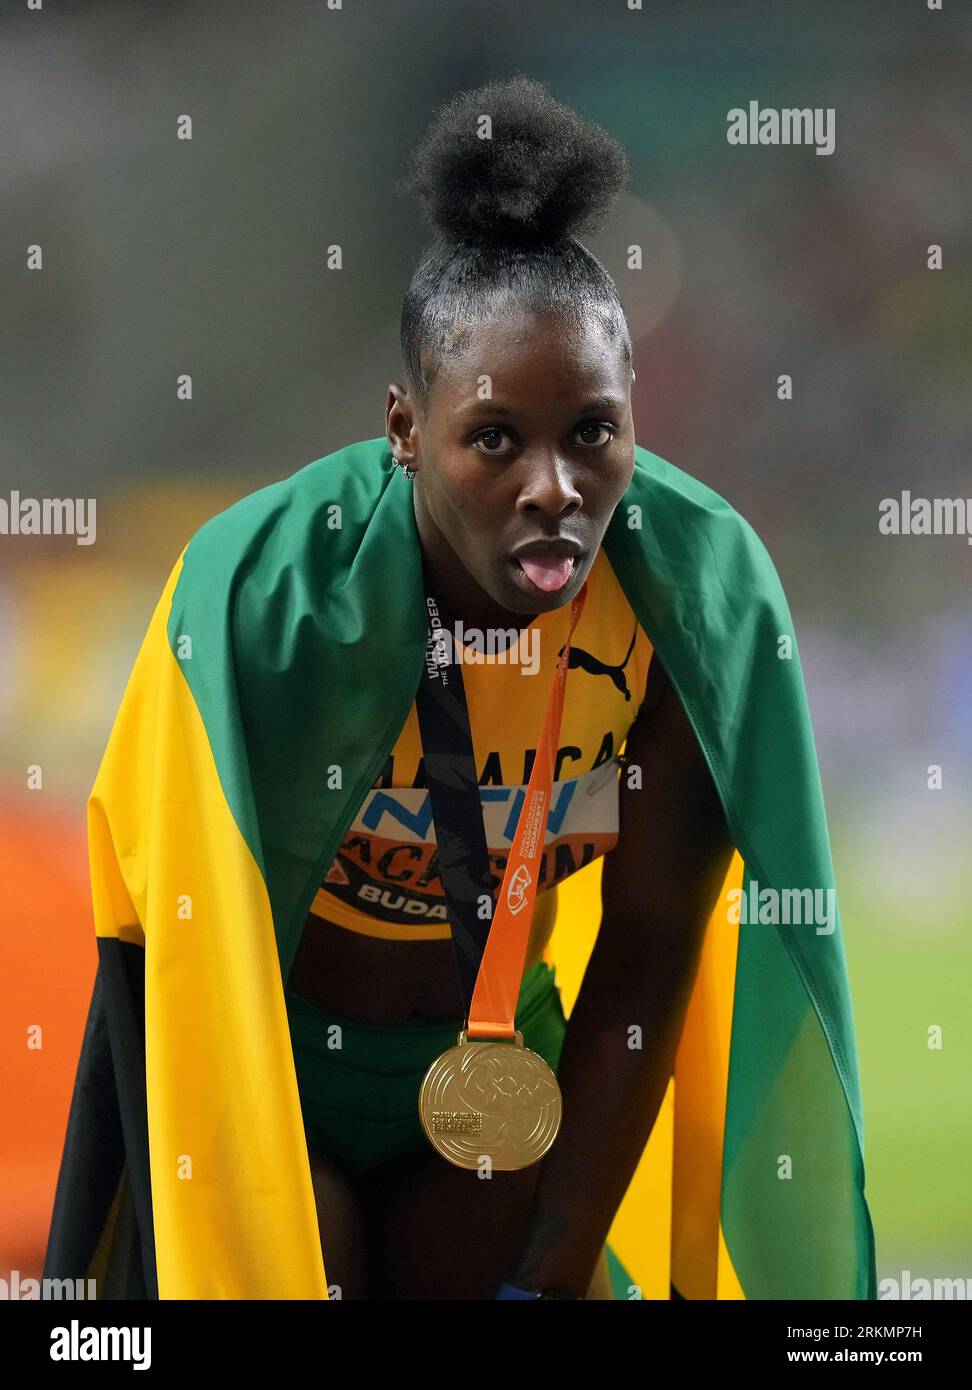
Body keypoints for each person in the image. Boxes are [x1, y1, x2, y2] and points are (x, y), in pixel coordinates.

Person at [44, 75, 875, 1302]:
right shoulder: (258, 595)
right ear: (402, 426)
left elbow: (647, 956)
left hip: (491, 1073)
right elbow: (156, 946)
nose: (554, 486)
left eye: (593, 431)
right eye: (495, 438)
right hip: (276, 1069)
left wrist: (549, 1274)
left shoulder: (691, 603)